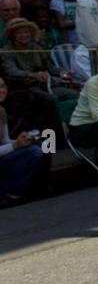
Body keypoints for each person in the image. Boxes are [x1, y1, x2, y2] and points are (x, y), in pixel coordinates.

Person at [0, 76, 48, 204]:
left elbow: (4, 141)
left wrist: (21, 140)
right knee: (33, 151)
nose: (2, 90)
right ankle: (8, 191)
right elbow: (10, 146)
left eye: (3, 86)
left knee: (40, 145)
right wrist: (15, 145)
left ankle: (33, 189)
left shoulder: (1, 111)